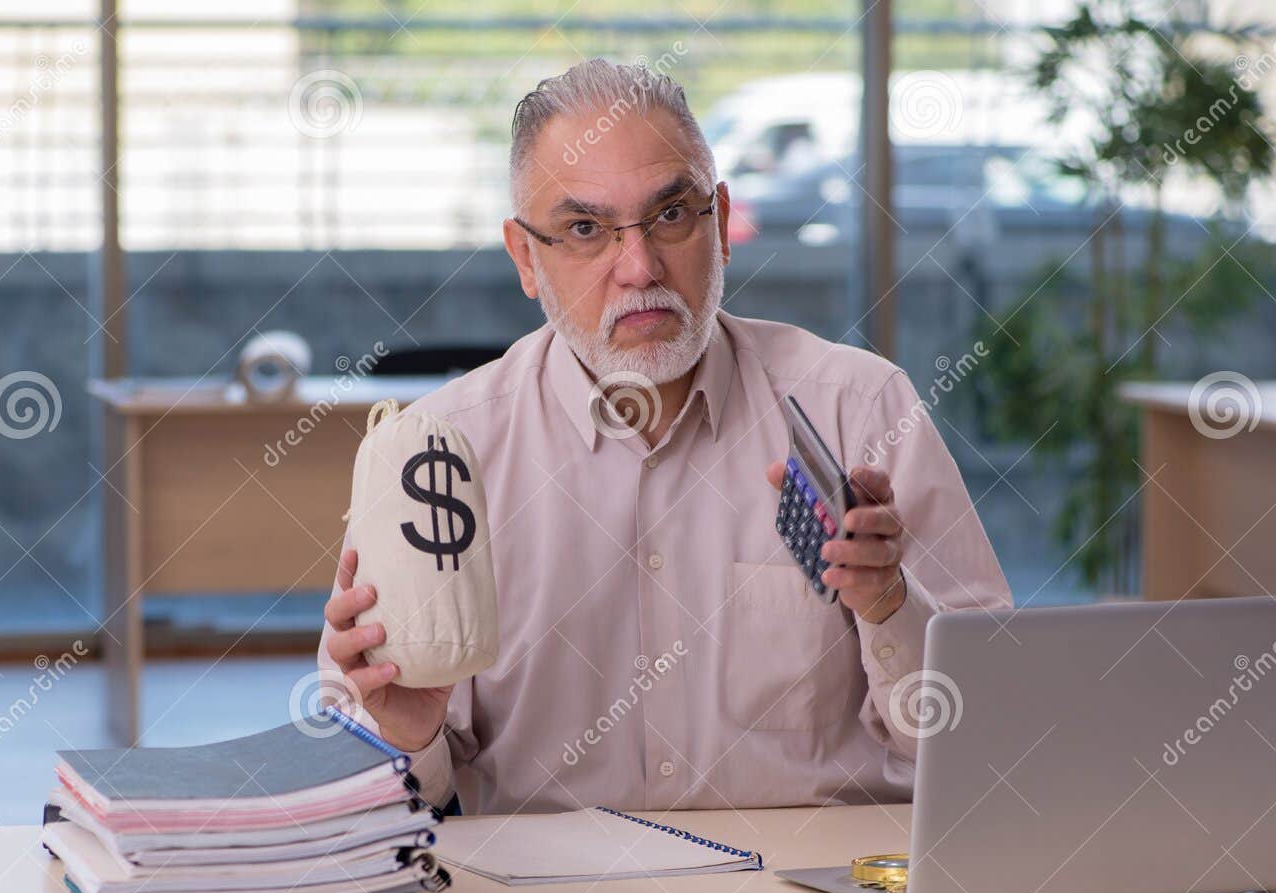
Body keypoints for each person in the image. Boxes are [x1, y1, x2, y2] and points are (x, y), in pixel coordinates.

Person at [321, 58, 1010, 818]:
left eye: (671, 216)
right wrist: (409, 738)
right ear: (526, 258)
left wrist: (888, 607)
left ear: (720, 222)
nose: (640, 267)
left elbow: (995, 742)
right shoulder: (438, 458)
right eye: (585, 230)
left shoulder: (862, 410)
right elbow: (362, 821)